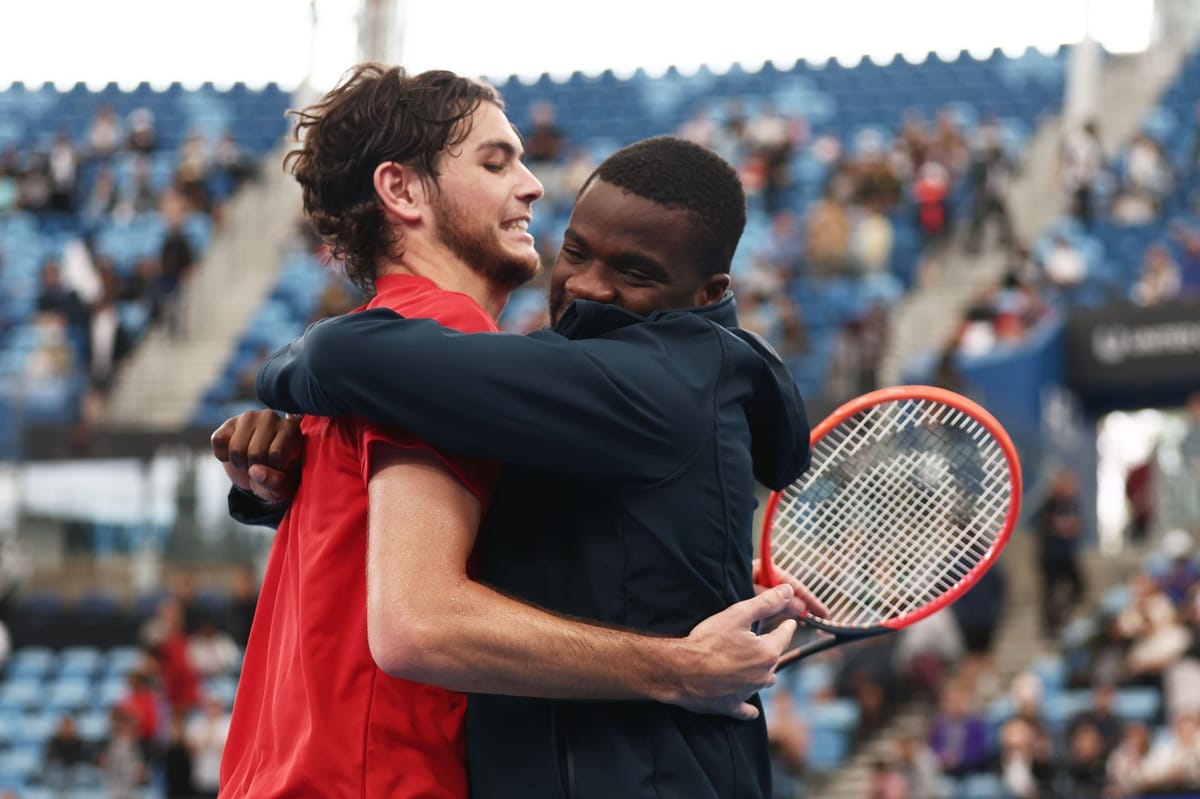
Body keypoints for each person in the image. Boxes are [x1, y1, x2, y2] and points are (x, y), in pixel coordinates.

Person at [212, 64, 814, 799]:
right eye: (497, 162)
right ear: (401, 190)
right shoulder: (436, 336)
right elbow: (417, 624)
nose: (531, 185)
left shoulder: (406, 363)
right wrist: (677, 663)